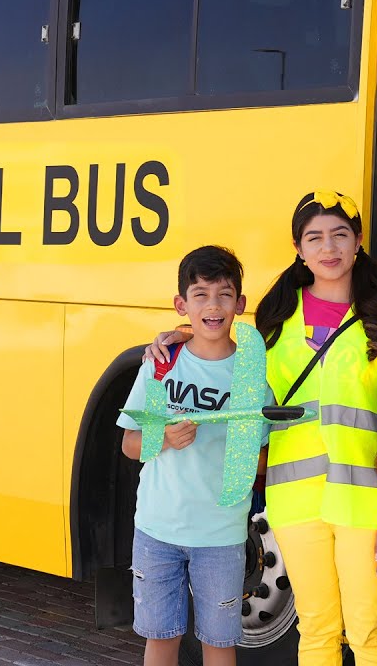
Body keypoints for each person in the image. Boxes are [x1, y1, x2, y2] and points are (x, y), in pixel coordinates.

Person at [148, 191, 377, 666]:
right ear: (299, 248)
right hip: (294, 500)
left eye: (339, 235)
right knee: (316, 629)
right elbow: (222, 349)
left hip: (365, 501)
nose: (328, 248)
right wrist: (179, 337)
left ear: (357, 244)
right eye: (315, 237)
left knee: (370, 629)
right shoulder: (272, 324)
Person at [119, 245, 270, 666]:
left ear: (240, 304)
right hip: (156, 530)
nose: (213, 306)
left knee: (219, 645)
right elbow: (131, 445)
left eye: (224, 294)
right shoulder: (162, 364)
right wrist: (163, 438)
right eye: (200, 294)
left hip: (220, 537)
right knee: (161, 638)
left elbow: (261, 463)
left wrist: (237, 453)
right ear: (181, 305)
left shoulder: (252, 377)